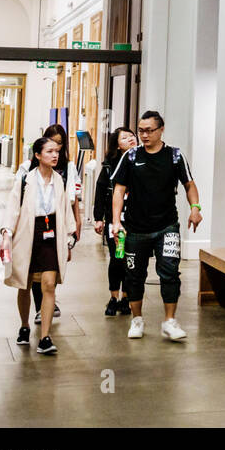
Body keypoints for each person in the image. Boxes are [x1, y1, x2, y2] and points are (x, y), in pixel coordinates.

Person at [109, 111, 201, 341]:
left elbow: (189, 184)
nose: (144, 135)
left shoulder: (175, 156)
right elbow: (119, 190)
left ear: (161, 130)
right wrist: (116, 221)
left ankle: (169, 321)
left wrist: (195, 208)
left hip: (167, 226)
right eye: (141, 130)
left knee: (170, 272)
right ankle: (137, 319)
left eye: (149, 130)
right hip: (135, 228)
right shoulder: (130, 157)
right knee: (134, 276)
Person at [0, 136, 82, 355]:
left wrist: (69, 240)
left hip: (51, 235)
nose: (55, 155)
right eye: (49, 151)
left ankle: (45, 337)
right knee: (24, 284)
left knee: (48, 284)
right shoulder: (25, 179)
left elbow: (65, 211)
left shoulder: (60, 180)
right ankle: (25, 326)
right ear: (37, 155)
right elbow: (12, 208)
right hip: (28, 234)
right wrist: (6, 234)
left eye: (56, 151)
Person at [30, 124, 79, 323]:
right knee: (35, 270)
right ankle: (41, 305)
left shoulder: (69, 167)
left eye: (59, 144)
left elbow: (75, 197)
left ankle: (49, 298)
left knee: (54, 265)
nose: (56, 149)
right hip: (36, 224)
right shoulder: (31, 168)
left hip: (60, 222)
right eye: (51, 144)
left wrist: (76, 222)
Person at [93, 126, 137, 316]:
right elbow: (101, 190)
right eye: (125, 138)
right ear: (117, 145)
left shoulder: (141, 161)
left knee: (131, 260)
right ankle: (113, 297)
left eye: (131, 136)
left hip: (136, 221)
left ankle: (126, 298)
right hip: (116, 222)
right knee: (118, 258)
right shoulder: (110, 165)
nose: (131, 139)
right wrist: (98, 218)